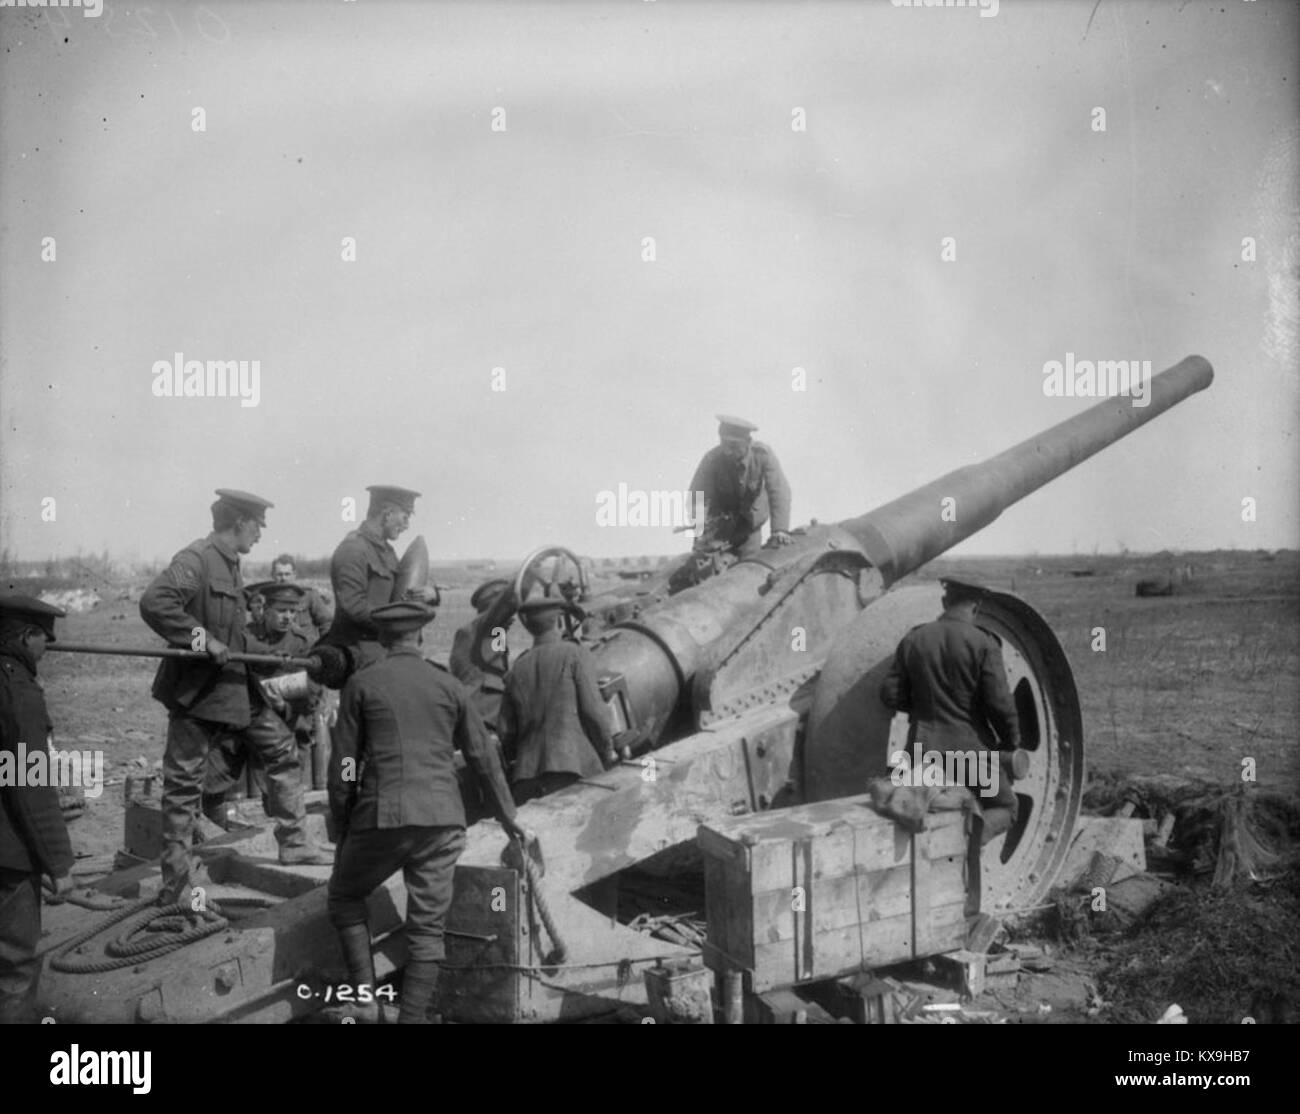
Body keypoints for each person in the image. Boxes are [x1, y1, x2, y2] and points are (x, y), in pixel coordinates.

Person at [327, 600, 527, 1024]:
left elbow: (344, 764)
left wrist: (342, 818)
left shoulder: (362, 684)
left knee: (345, 896)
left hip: (381, 819)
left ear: (382, 638)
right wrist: (510, 819)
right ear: (420, 636)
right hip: (442, 821)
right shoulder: (449, 685)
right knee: (428, 927)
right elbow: (482, 757)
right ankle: (413, 1017)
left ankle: (364, 999)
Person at [139, 489, 331, 907]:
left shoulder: (230, 564)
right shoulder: (197, 559)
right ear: (240, 521)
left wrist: (271, 658)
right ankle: (175, 885)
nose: (261, 533)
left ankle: (295, 842)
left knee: (281, 752)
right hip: (197, 693)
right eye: (258, 524)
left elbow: (233, 635)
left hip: (233, 687)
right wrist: (199, 638)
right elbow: (156, 603)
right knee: (184, 783)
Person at [879, 578, 1021, 841]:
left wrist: (921, 707)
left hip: (921, 750)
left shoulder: (915, 637)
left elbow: (890, 695)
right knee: (1005, 807)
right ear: (977, 607)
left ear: (945, 602)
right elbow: (1000, 705)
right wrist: (1010, 741)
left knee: (912, 807)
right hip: (969, 755)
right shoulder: (984, 643)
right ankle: (966, 845)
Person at [0, 595, 73, 1023]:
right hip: (8, 857)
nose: (48, 648)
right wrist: (59, 865)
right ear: (27, 637)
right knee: (13, 965)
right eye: (45, 638)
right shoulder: (19, 693)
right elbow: (29, 785)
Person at [201, 581, 321, 827]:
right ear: (265, 610)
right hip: (242, 719)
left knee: (279, 791)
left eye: (292, 612)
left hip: (283, 724)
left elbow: (311, 691)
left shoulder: (301, 643)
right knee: (213, 780)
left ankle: (282, 838)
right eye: (281, 611)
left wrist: (284, 705)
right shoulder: (246, 636)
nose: (287, 617)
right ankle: (214, 833)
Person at [498, 598, 618, 804]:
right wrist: (609, 751)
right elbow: (593, 712)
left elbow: (505, 731)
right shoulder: (575, 654)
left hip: (526, 778)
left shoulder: (517, 667)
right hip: (572, 771)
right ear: (559, 620)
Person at [320, 485, 437, 675]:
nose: (407, 525)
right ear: (388, 514)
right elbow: (353, 607)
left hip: (384, 652)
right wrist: (396, 623)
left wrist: (430, 596)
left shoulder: (386, 551)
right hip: (360, 656)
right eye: (405, 517)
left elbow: (401, 594)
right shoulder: (353, 549)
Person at [687, 414, 793, 560]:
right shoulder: (712, 459)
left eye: (734, 446)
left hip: (749, 529)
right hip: (719, 529)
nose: (727, 451)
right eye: (724, 444)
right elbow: (697, 496)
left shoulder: (762, 455)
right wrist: (700, 532)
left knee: (748, 572)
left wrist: (780, 530)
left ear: (748, 442)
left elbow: (779, 491)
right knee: (706, 572)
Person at [449, 578, 512, 731]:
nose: (512, 617)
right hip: (482, 712)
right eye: (507, 612)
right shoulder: (481, 628)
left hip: (485, 712)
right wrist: (530, 572)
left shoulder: (493, 634)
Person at [269, 554, 333, 640]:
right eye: (279, 574)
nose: (283, 578)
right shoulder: (266, 598)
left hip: (305, 647)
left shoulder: (309, 596)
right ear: (272, 575)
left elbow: (326, 623)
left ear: (294, 575)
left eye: (287, 574)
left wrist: (323, 645)